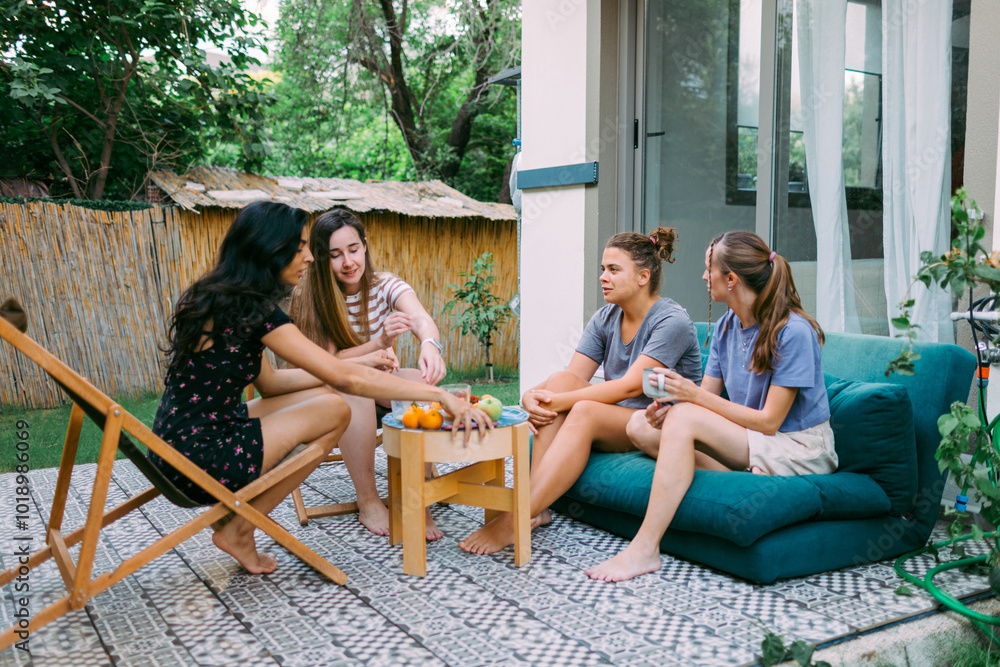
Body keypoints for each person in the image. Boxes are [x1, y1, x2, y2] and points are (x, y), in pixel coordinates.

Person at [149, 201, 489, 575]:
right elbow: (342, 379)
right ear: (269, 250)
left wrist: (363, 360)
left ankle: (242, 520)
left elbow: (273, 383)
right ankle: (241, 528)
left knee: (325, 398)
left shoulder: (217, 296)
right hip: (201, 460)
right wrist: (439, 395)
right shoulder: (255, 311)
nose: (309, 257)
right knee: (336, 409)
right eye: (299, 248)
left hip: (171, 450)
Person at [585, 230, 837, 582]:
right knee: (640, 425)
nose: (704, 277)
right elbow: (704, 401)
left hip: (798, 446)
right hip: (754, 439)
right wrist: (667, 411)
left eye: (709, 269)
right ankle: (741, 477)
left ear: (731, 279)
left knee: (684, 417)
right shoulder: (725, 327)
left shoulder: (792, 331)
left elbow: (768, 421)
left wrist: (690, 399)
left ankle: (645, 548)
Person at [458, 228, 703, 555]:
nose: (603, 277)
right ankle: (536, 508)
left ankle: (516, 517)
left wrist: (557, 400)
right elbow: (572, 377)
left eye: (614, 270)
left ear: (644, 276)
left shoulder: (671, 321)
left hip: (657, 422)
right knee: (558, 382)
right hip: (622, 418)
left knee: (583, 409)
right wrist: (533, 394)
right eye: (602, 269)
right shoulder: (606, 317)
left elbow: (632, 385)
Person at [289, 209, 449, 539]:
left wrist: (430, 345)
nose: (348, 262)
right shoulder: (310, 296)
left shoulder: (383, 285)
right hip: (324, 388)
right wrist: (377, 345)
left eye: (353, 249)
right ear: (321, 258)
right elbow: (326, 363)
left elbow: (419, 317)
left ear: (365, 245)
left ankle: (419, 497)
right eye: (335, 255)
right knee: (353, 390)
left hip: (374, 382)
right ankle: (369, 500)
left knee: (419, 386)